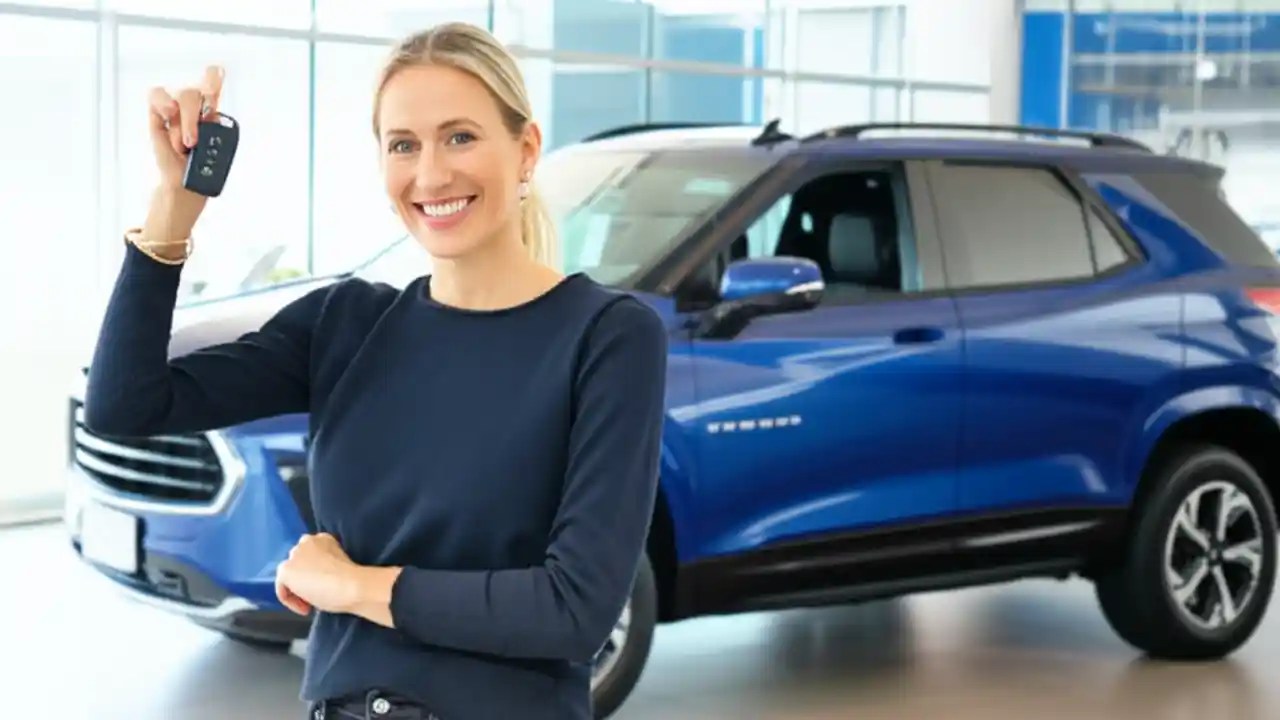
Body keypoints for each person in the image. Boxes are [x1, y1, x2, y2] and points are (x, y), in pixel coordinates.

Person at [83, 21, 668, 720]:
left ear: (526, 149)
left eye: (460, 136)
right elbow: (126, 403)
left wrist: (353, 586)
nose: (431, 174)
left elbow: (574, 610)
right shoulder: (347, 323)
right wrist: (173, 211)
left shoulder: (607, 337)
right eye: (403, 145)